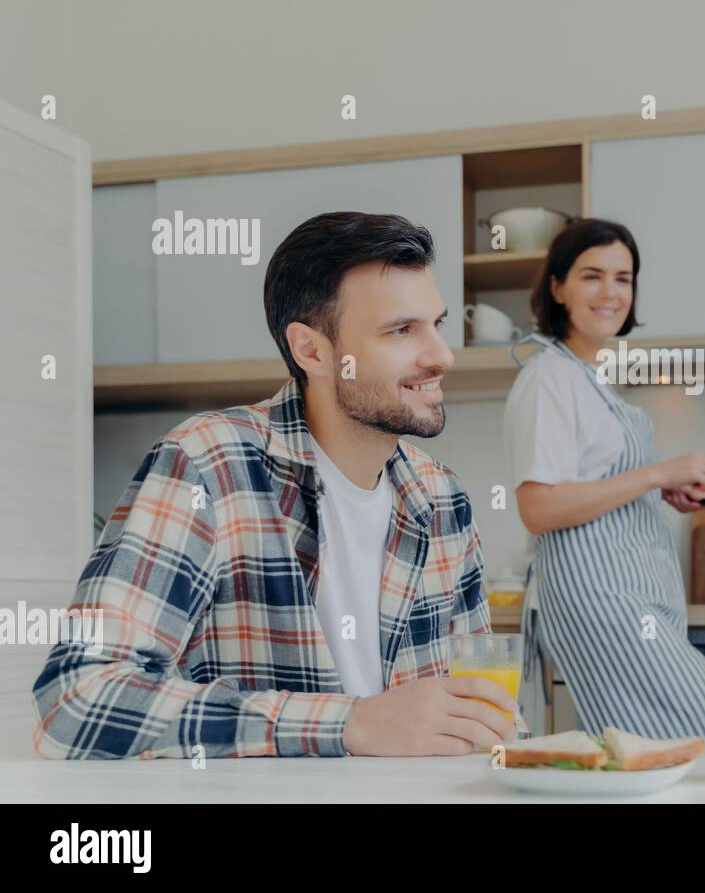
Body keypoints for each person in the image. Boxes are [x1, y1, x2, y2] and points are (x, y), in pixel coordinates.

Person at [32, 212, 518, 759]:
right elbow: (76, 700)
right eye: (402, 330)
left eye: (438, 324)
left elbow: (477, 712)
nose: (441, 356)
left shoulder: (442, 498)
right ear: (312, 351)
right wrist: (347, 724)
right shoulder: (208, 464)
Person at [504, 218, 705, 741]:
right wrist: (655, 472)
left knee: (658, 756)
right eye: (592, 276)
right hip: (600, 598)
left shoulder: (593, 381)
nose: (611, 292)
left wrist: (661, 488)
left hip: (639, 597)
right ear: (557, 287)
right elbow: (539, 507)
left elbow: (595, 486)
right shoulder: (548, 377)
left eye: (623, 278)